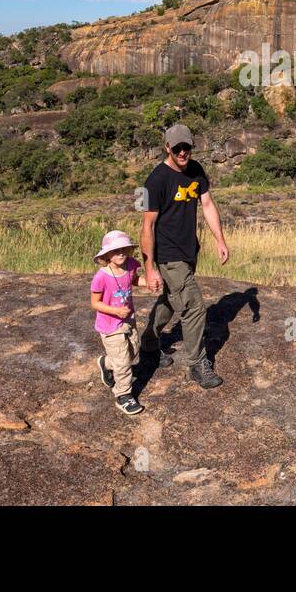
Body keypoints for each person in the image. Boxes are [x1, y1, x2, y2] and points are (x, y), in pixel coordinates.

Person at [140, 123, 230, 388]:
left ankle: (148, 342)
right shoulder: (155, 180)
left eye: (186, 147)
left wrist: (220, 240)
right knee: (193, 306)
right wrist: (149, 267)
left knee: (170, 300)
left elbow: (208, 204)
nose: (182, 152)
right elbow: (147, 226)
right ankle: (197, 364)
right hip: (168, 255)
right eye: (177, 147)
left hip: (190, 250)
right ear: (167, 147)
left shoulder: (196, 171)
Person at [90, 230, 151, 415]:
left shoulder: (130, 265)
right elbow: (94, 303)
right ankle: (123, 395)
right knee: (124, 363)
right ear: (107, 254)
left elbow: (133, 280)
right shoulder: (101, 277)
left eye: (124, 249)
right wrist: (115, 310)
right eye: (116, 250)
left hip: (129, 320)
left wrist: (148, 282)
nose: (121, 253)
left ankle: (105, 363)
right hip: (110, 325)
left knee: (133, 351)